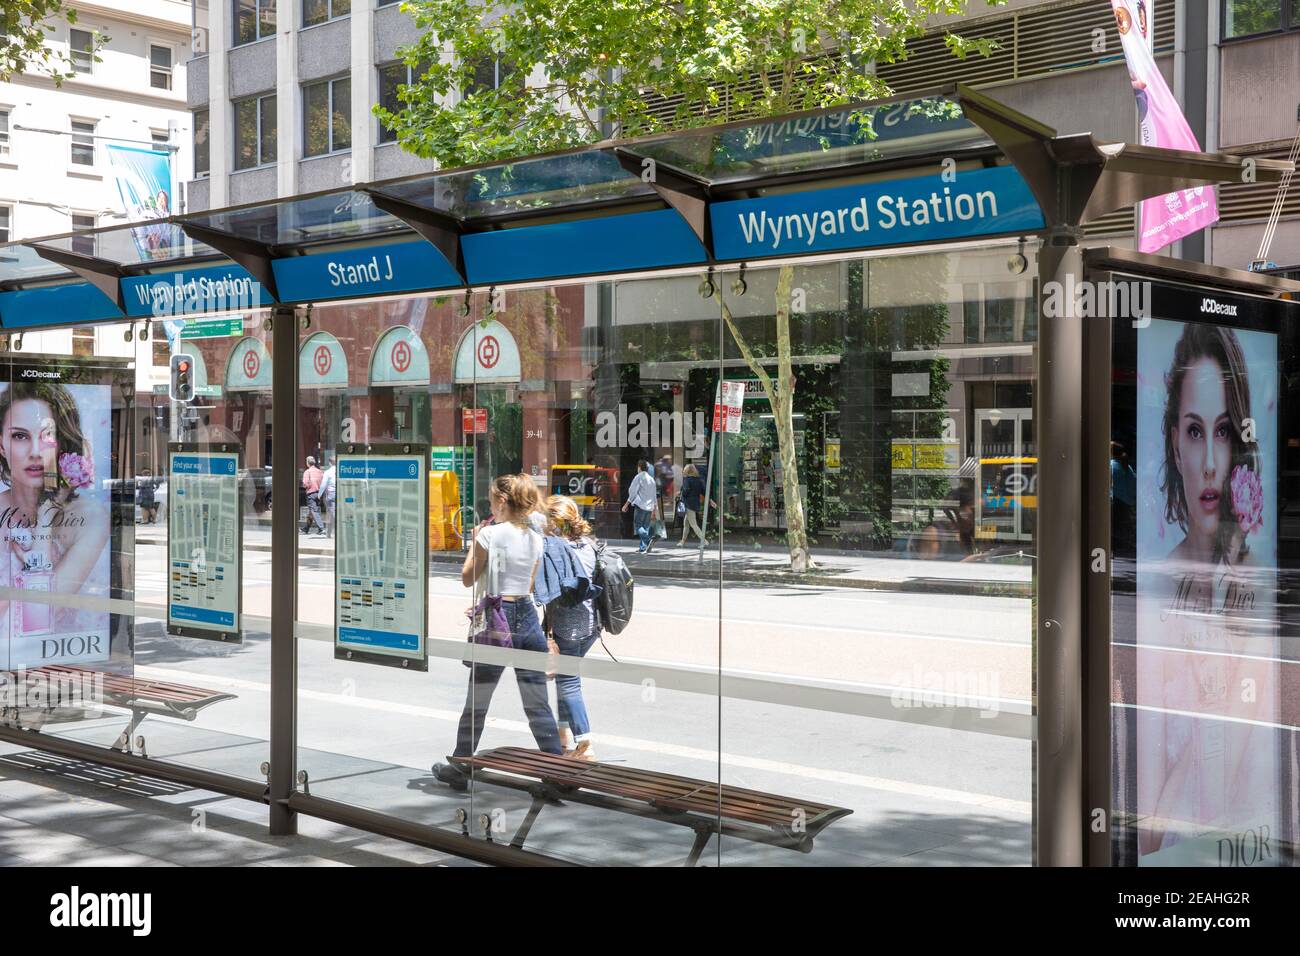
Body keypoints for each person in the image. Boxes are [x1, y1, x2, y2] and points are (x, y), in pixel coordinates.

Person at [1140, 323, 1264, 857]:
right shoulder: (1151, 590)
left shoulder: (1256, 588)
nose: (1211, 463)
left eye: (1224, 431)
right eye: (1195, 431)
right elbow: (1144, 821)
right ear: (1173, 439)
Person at [433, 474, 563, 791]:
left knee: (477, 699)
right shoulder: (535, 537)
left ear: (501, 502)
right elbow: (529, 584)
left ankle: (462, 765)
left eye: (491, 500)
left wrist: (476, 540)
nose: (490, 505)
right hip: (528, 616)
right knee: (536, 702)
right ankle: (557, 773)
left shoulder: (489, 534)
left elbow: (467, 577)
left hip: (497, 617)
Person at [0, 382, 110, 639]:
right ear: (2, 445)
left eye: (47, 435)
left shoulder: (90, 517)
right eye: (20, 436)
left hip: (60, 667)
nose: (36, 452)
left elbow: (40, 613)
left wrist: (45, 519)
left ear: (62, 442)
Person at [542, 494, 602, 760]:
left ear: (554, 521)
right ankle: (563, 737)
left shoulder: (555, 547)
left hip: (568, 626)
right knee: (567, 678)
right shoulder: (588, 545)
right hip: (591, 624)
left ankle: (585, 743)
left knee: (568, 682)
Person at [622, 459, 658, 553]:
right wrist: (654, 510)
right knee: (645, 527)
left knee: (638, 526)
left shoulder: (638, 477)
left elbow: (632, 492)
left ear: (639, 467)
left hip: (641, 505)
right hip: (649, 507)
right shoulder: (651, 479)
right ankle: (643, 547)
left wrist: (626, 504)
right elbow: (654, 496)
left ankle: (648, 540)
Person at [677, 463, 714, 547]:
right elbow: (704, 492)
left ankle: (704, 541)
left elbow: (685, 491)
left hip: (688, 504)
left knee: (693, 524)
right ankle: (682, 541)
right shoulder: (699, 480)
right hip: (695, 503)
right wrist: (710, 500)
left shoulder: (687, 479)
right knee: (686, 523)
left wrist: (681, 494)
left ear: (687, 470)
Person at [301, 456, 324, 536]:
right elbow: (323, 483)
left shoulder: (307, 472)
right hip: (319, 494)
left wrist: (307, 486)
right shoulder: (320, 471)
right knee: (313, 511)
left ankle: (321, 528)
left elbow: (305, 484)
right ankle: (306, 528)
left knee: (314, 511)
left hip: (311, 493)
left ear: (307, 463)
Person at [319, 459, 337, 538]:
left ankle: (330, 533)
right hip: (340, 492)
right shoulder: (341, 469)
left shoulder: (328, 472)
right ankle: (331, 532)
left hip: (331, 493)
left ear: (330, 463)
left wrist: (319, 494)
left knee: (331, 513)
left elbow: (323, 484)